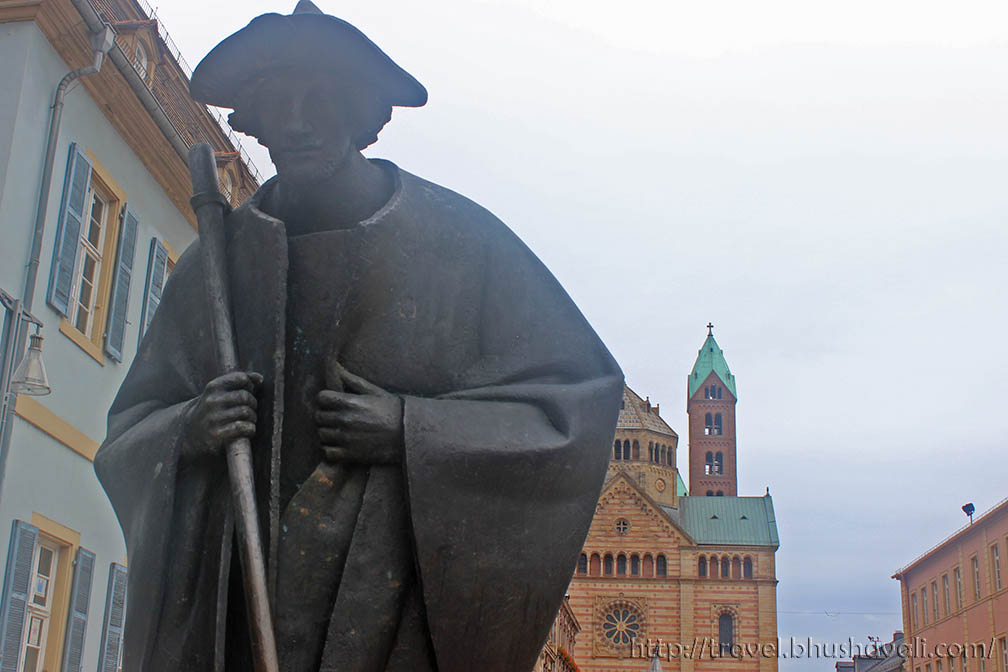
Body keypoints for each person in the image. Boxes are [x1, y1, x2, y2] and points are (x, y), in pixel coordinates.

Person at [94, 2, 623, 671]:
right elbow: (129, 433)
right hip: (238, 612)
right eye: (274, 102)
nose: (293, 122)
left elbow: (575, 408)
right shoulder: (217, 265)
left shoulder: (460, 243)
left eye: (318, 101)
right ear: (250, 119)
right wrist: (191, 428)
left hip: (384, 614)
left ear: (360, 113)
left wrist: (409, 430)